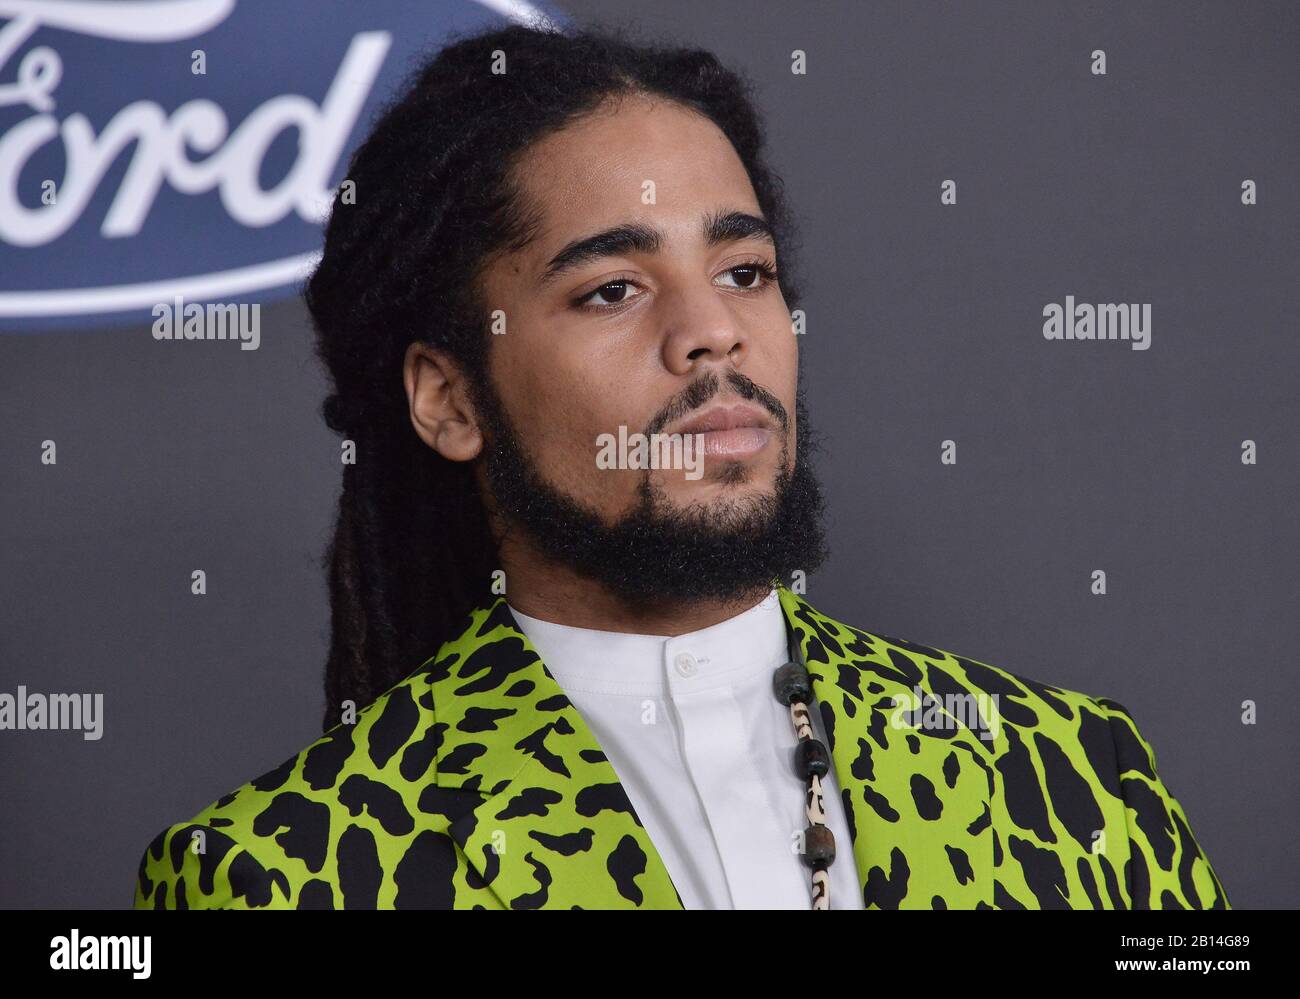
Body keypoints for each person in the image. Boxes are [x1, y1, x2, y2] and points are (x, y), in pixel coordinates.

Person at [133, 22, 1229, 910]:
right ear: (450, 398)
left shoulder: (1074, 774)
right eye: (612, 288)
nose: (713, 331)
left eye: (745, 270)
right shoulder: (274, 874)